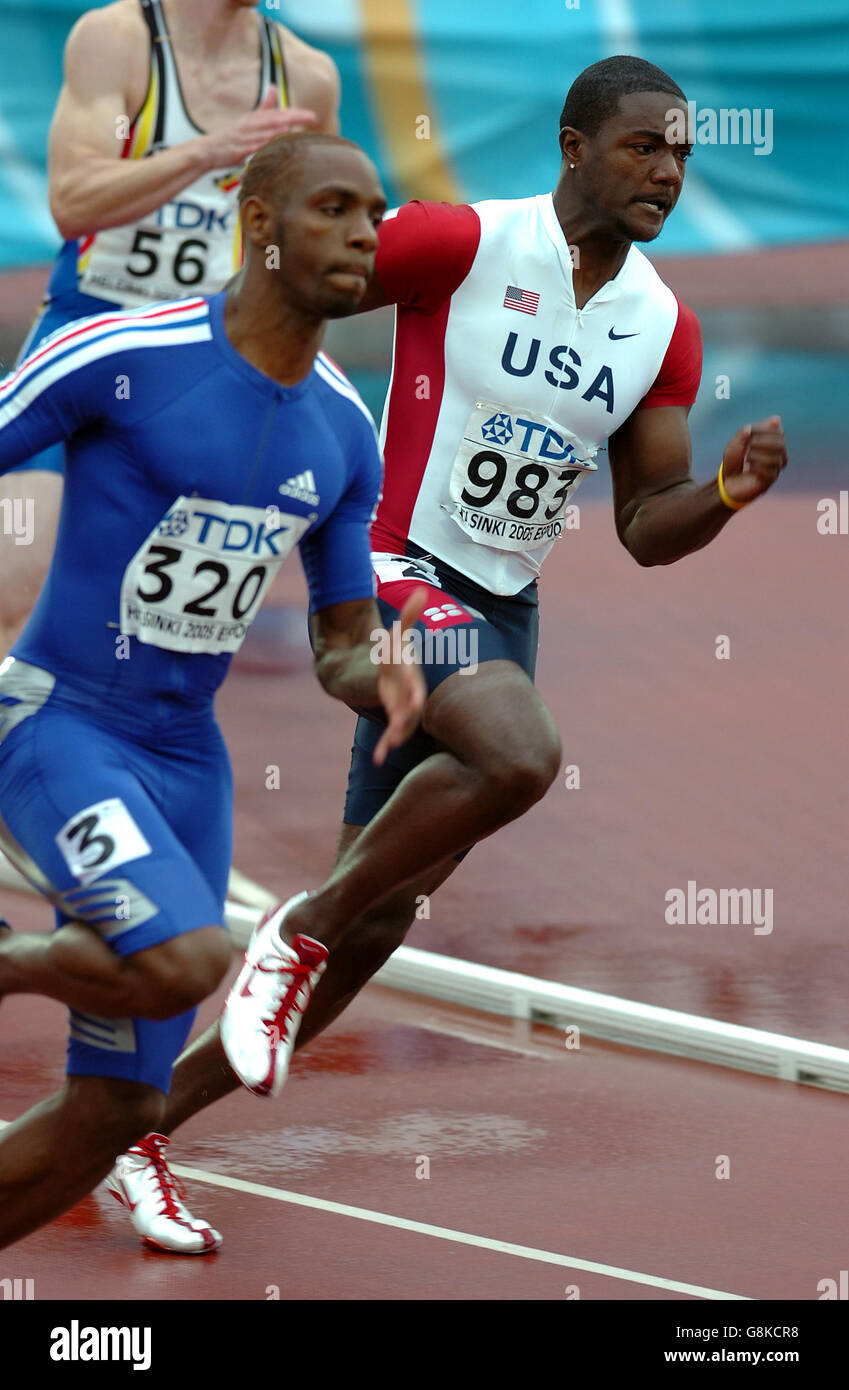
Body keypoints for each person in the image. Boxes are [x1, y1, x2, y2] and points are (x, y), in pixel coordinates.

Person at [114, 55, 787, 1255]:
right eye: (643, 149)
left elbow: (646, 523)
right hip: (392, 567)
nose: (668, 174)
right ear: (575, 147)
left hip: (503, 606)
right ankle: (300, 927)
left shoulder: (661, 327)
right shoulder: (464, 242)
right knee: (522, 752)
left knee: (380, 920)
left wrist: (726, 494)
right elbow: (287, 289)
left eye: (683, 155)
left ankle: (136, 1129)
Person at [0, 131, 432, 1254]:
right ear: (257, 225)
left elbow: (339, 639)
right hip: (61, 725)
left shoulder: (344, 428)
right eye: (333, 209)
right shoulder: (123, 353)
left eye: (375, 214)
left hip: (188, 760)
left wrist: (377, 672)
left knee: (118, 1112)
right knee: (187, 961)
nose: (362, 235)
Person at [0, 0, 340, 656]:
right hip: (87, 332)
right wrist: (208, 152)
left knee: (157, 619)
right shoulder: (116, 39)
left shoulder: (306, 75)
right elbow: (73, 202)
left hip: (201, 358)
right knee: (18, 585)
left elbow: (324, 236)